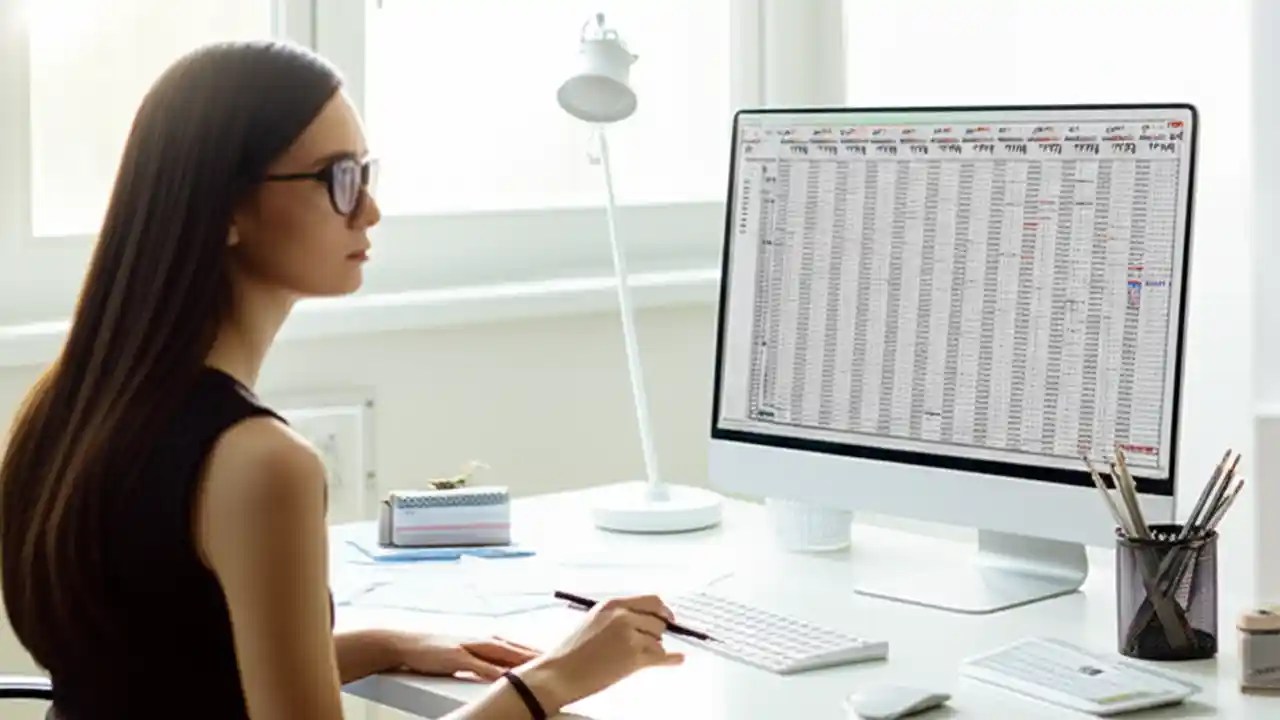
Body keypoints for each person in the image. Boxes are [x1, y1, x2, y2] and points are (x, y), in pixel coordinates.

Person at [0, 40, 683, 720]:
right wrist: (553, 679)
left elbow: (172, 670)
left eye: (365, 172)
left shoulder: (68, 404)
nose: (369, 211)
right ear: (226, 207)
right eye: (338, 178)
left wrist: (388, 644)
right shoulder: (262, 464)